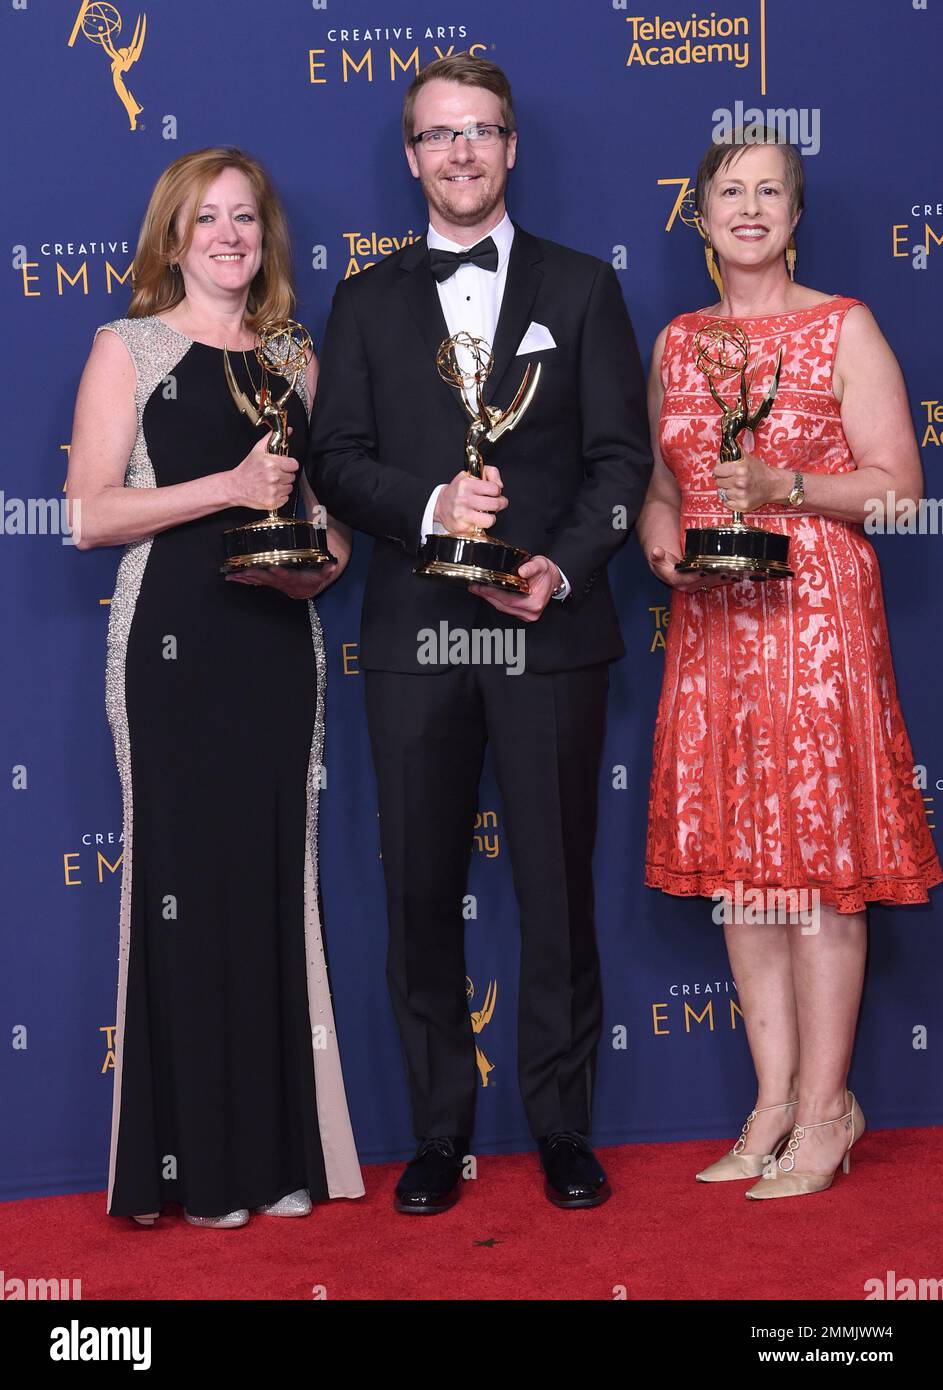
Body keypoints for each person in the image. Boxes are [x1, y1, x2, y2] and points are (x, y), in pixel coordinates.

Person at [308, 55, 652, 1213]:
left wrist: (558, 565)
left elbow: (619, 462)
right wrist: (427, 509)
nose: (462, 152)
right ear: (411, 156)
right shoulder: (362, 301)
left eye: (483, 132)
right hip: (412, 636)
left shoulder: (586, 288)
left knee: (557, 892)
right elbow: (336, 459)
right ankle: (440, 1137)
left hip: (547, 634)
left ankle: (561, 1128)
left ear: (511, 149)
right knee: (417, 892)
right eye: (440, 134)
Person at [638, 130, 942, 1199]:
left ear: (796, 213)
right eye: (732, 191)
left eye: (772, 191)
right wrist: (658, 538)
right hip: (717, 629)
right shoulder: (677, 342)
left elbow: (899, 488)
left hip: (816, 626)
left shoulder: (843, 326)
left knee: (817, 872)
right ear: (704, 215)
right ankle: (770, 1102)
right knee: (744, 875)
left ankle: (828, 1106)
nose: (752, 208)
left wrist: (786, 487)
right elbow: (664, 483)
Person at [67, 147, 363, 1227]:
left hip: (277, 646)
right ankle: (187, 1168)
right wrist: (227, 489)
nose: (231, 235)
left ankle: (279, 1156)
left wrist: (318, 562)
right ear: (174, 237)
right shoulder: (129, 348)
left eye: (247, 217)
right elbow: (90, 512)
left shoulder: (295, 356)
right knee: (181, 889)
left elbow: (325, 521)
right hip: (170, 649)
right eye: (209, 219)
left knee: (271, 886)